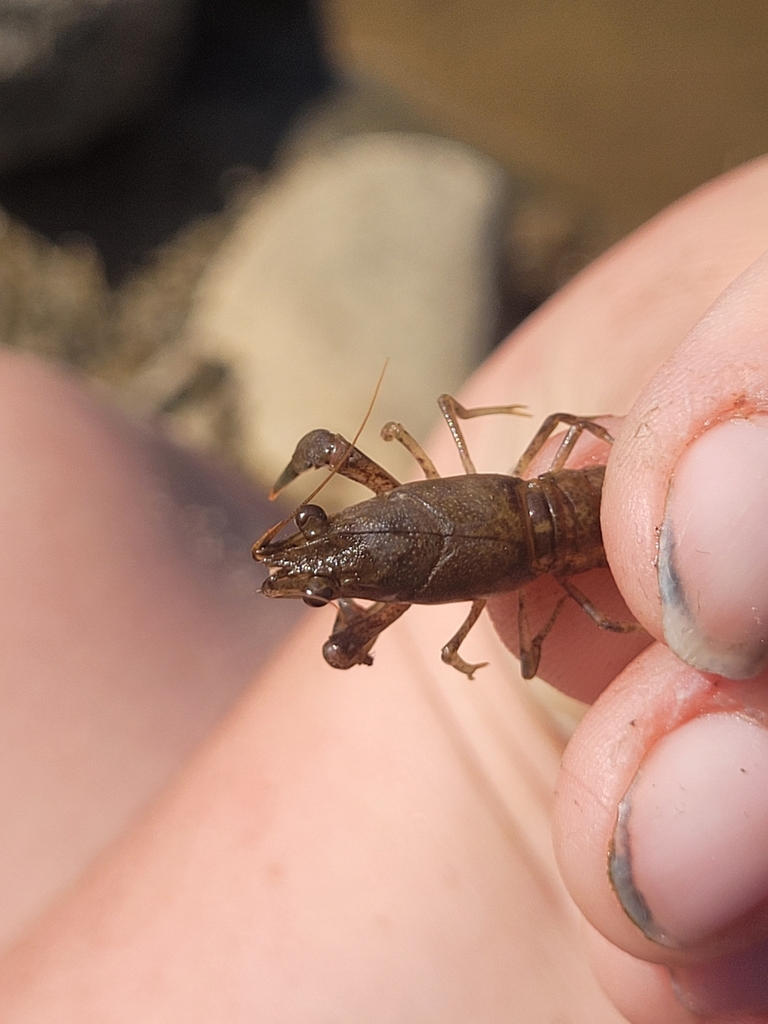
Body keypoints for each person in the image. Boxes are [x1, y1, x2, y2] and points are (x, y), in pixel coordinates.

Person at [0, 155, 767, 1022]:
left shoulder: (405, 601)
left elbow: (384, 630)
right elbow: (351, 469)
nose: (320, 561)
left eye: (321, 537)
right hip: (553, 529)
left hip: (574, 531)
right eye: (330, 571)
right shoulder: (383, 542)